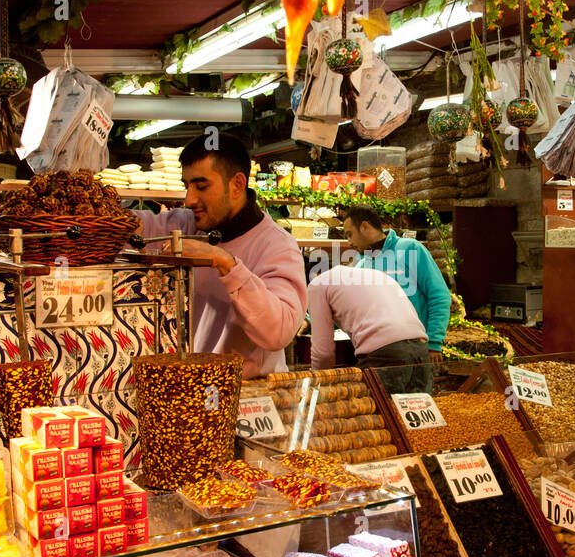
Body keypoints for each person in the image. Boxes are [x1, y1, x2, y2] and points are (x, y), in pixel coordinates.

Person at [134, 133, 307, 378]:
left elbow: (279, 331)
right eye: (187, 186)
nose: (190, 199)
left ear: (237, 184)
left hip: (246, 395)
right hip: (189, 387)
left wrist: (224, 262)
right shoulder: (186, 226)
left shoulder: (277, 245)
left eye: (201, 186)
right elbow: (130, 226)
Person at [341, 206, 450, 362]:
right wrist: (308, 321)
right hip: (379, 354)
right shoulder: (361, 266)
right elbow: (347, 308)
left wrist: (434, 342)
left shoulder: (410, 249)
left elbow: (439, 296)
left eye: (349, 234)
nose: (349, 242)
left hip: (418, 350)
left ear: (364, 227)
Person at [307, 265, 428, 375]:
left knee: (374, 400)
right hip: (420, 347)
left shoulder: (316, 284)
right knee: (418, 399)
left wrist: (318, 380)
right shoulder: (374, 274)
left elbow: (323, 352)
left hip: (384, 354)